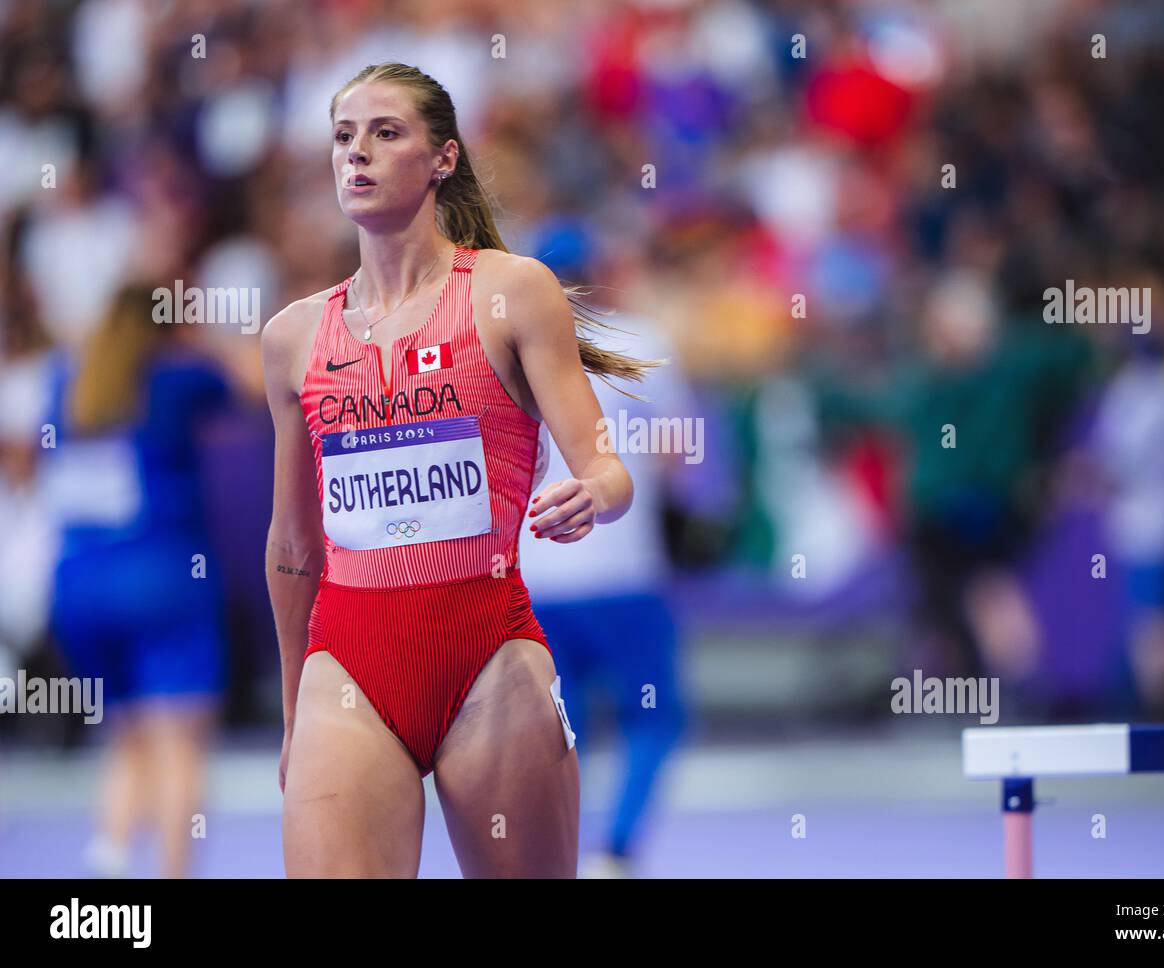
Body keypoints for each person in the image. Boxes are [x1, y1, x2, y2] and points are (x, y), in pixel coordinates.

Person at [262, 62, 651, 878]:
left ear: (443, 158)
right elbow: (294, 544)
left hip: (491, 656)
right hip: (349, 662)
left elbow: (605, 467)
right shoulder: (294, 338)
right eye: (342, 136)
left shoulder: (512, 293)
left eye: (385, 132)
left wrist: (598, 495)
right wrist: (296, 713)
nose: (356, 154)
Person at [44, 283, 233, 879]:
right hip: (162, 579)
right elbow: (250, 382)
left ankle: (112, 854)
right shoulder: (175, 377)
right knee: (178, 741)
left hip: (78, 589)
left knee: (127, 735)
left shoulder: (66, 382)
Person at [520, 314, 691, 878]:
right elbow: (675, 456)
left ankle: (560, 853)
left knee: (563, 731)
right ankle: (615, 849)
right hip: (624, 572)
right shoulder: (642, 341)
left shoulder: (501, 337)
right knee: (655, 719)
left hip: (539, 573)